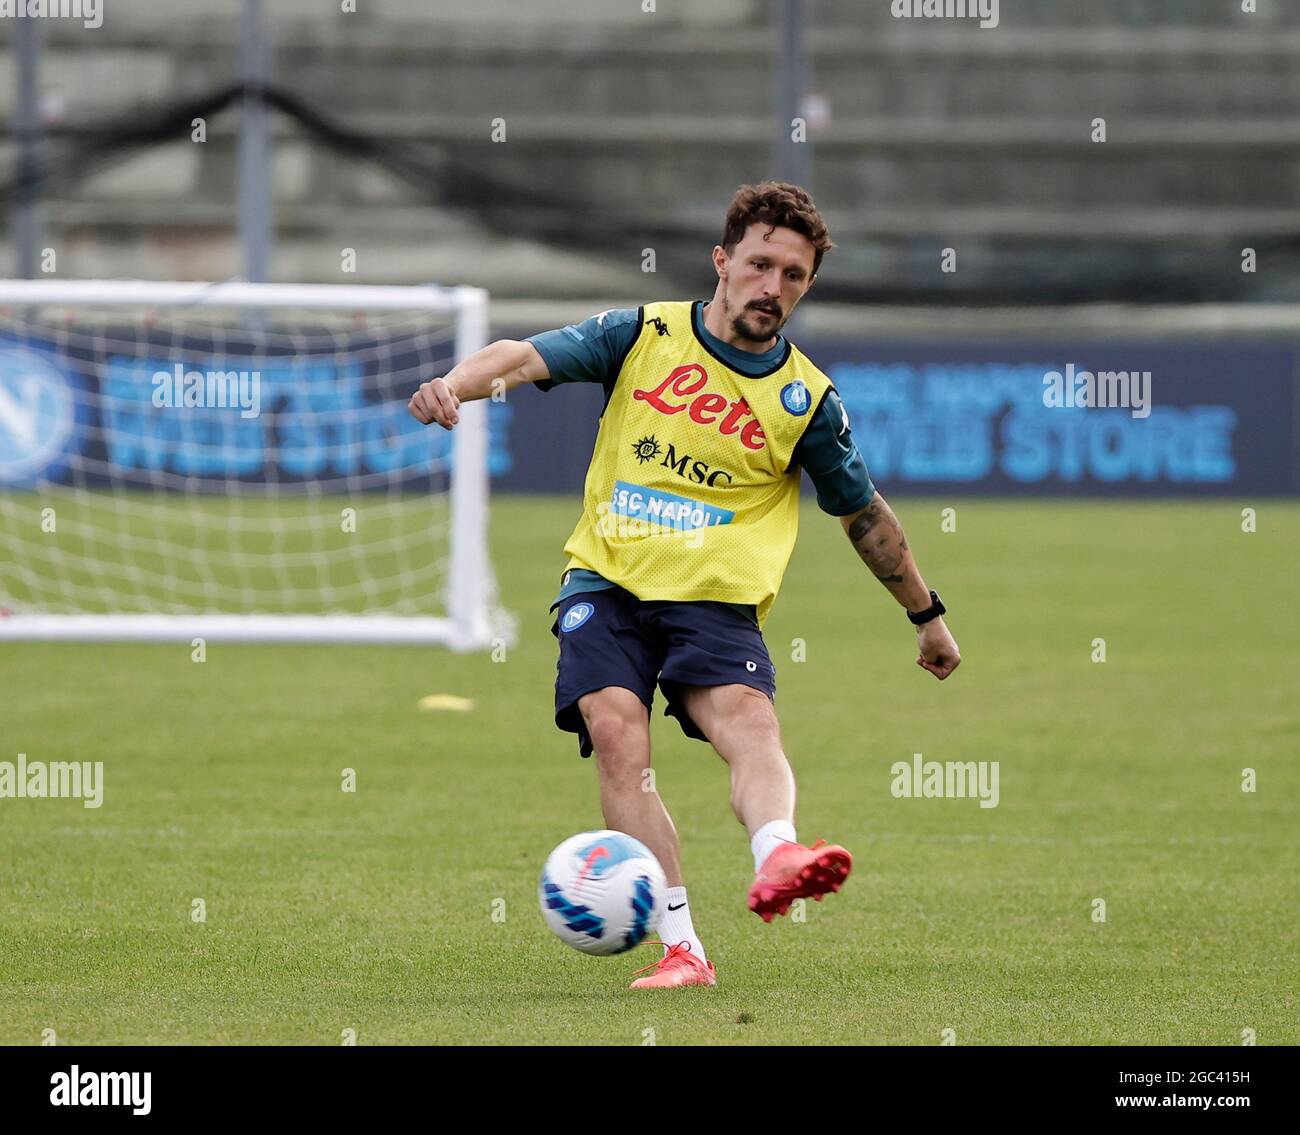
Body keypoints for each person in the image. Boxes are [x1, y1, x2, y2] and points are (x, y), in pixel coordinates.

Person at [409, 181, 961, 989]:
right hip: (607, 577)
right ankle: (684, 949)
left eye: (795, 276)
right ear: (723, 261)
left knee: (748, 721)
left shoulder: (806, 400)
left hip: (714, 597)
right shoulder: (642, 333)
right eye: (761, 264)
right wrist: (454, 385)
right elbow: (525, 357)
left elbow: (864, 516)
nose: (774, 288)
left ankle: (781, 854)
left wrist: (927, 615)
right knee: (618, 733)